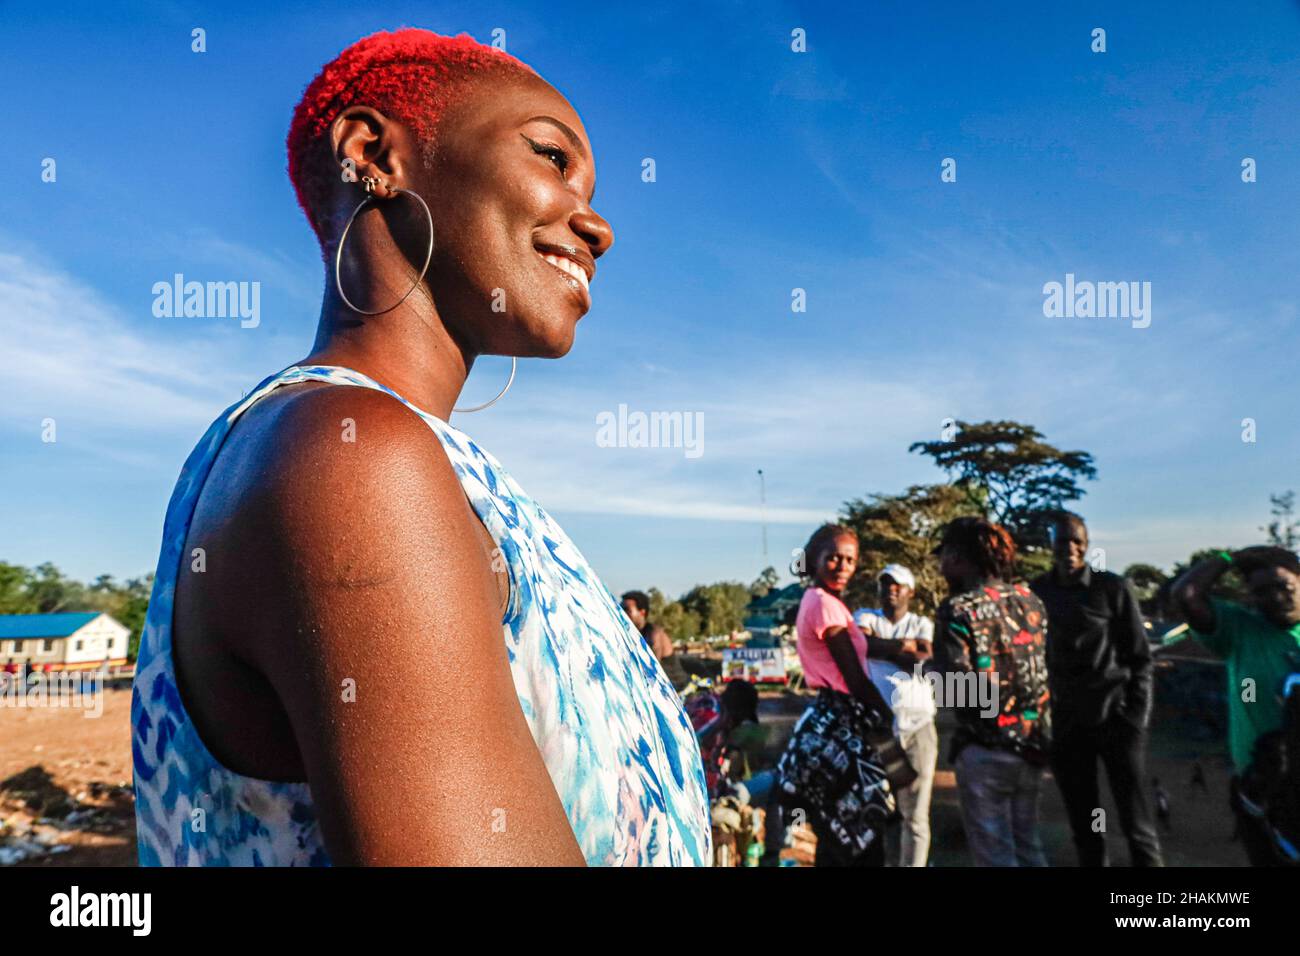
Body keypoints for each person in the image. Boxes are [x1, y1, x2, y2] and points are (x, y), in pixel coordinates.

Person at [130, 29, 710, 867]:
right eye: (552, 157)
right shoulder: (347, 458)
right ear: (375, 153)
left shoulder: (408, 458)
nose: (599, 225)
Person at [1030, 513, 1163, 867]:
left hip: (1115, 718)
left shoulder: (1111, 588)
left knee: (1136, 823)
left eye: (1077, 541)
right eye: (1062, 541)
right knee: (1085, 823)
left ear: (1086, 545)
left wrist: (1136, 716)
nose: (1070, 549)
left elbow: (1140, 656)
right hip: (1066, 723)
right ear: (1051, 546)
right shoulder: (1037, 592)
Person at [933, 517, 1051, 867]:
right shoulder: (1032, 602)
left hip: (986, 750)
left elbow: (959, 692)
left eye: (943, 557)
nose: (940, 567)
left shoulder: (957, 610)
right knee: (1029, 847)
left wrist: (932, 674)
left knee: (995, 856)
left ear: (957, 556)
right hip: (1033, 747)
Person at [1171, 545, 1300, 865]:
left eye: (1284, 587)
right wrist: (1234, 557)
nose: (1274, 597)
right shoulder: (1240, 629)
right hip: (1260, 785)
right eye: (1260, 591)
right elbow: (1186, 593)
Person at [779, 524, 896, 867]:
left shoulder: (823, 602)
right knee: (856, 835)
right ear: (814, 560)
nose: (842, 566)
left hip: (832, 719)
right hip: (842, 722)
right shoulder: (824, 605)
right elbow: (856, 679)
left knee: (838, 832)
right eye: (833, 558)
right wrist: (886, 719)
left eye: (850, 560)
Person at [855, 563, 938, 867]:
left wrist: (882, 649)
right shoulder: (865, 616)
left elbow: (922, 660)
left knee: (915, 815)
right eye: (885, 584)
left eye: (897, 585)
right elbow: (861, 644)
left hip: (918, 726)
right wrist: (901, 647)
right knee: (878, 809)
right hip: (879, 729)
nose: (890, 590)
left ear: (910, 591)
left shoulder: (921, 623)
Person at [621, 590, 690, 691]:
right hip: (662, 688)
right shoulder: (632, 635)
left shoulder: (654, 633)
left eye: (627, 609)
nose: (622, 613)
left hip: (678, 688)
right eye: (621, 608)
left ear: (642, 612)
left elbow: (650, 667)